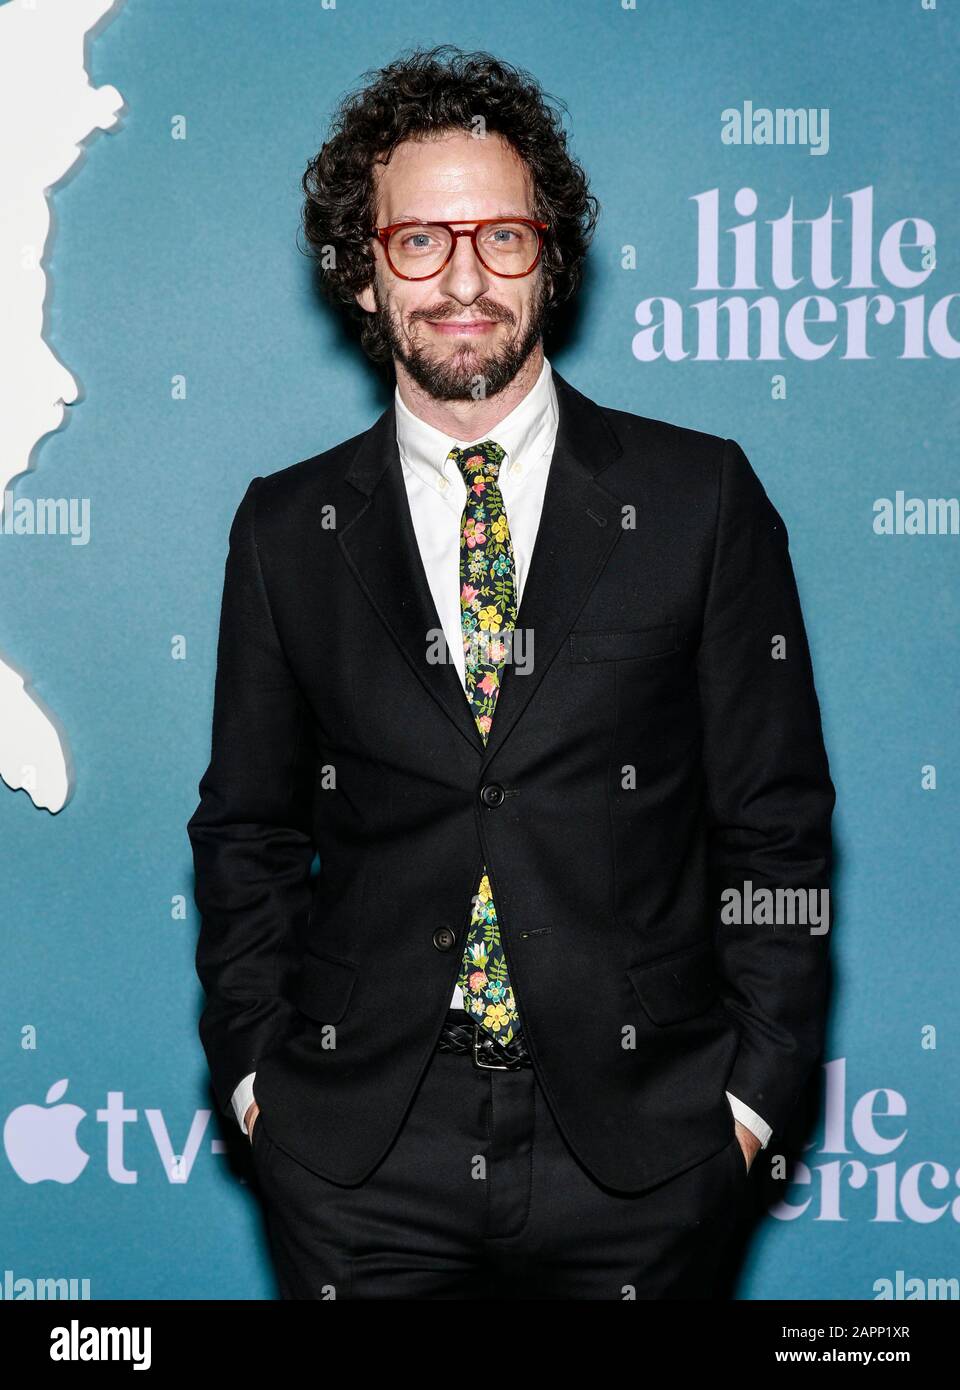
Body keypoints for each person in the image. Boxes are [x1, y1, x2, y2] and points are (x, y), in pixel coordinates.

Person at [187, 45, 835, 1300]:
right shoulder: (287, 528)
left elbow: (778, 832)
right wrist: (261, 1080)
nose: (464, 279)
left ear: (554, 258)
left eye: (503, 236)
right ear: (364, 271)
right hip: (365, 1147)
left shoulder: (698, 500)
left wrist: (754, 1098)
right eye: (420, 240)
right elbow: (249, 830)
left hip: (645, 1145)